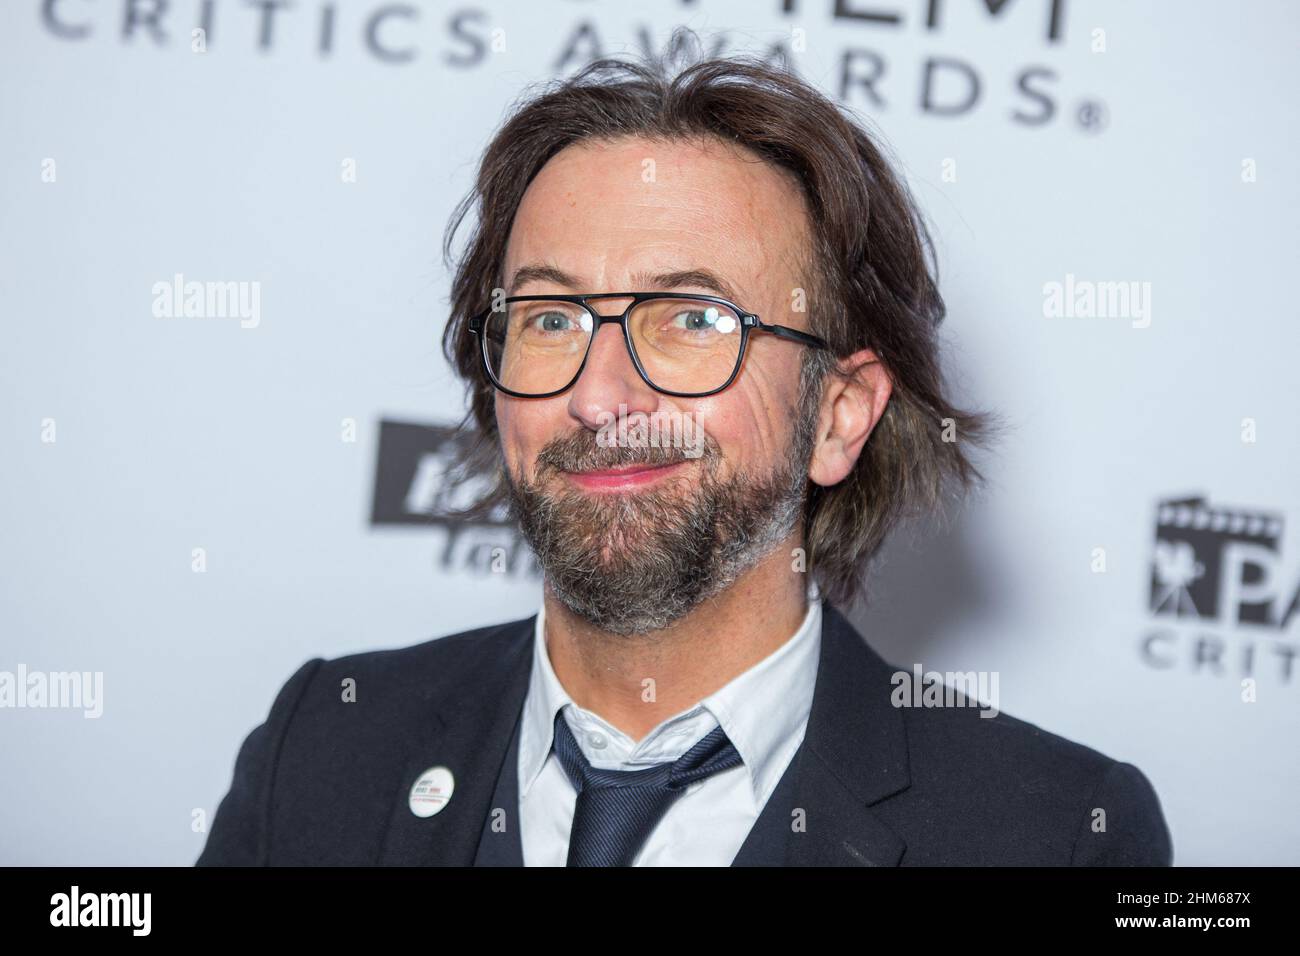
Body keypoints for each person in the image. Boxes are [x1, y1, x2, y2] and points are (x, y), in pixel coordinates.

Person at [197, 36, 1172, 867]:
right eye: (547, 317)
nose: (599, 394)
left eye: (691, 318)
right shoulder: (325, 744)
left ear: (839, 413)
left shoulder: (1053, 832)